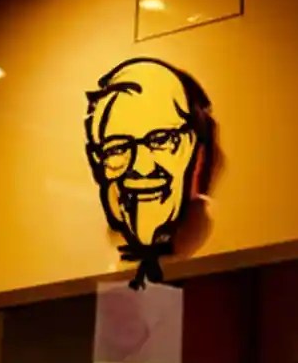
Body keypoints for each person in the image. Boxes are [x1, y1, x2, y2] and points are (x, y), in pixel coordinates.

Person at [84, 58, 214, 288]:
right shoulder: (90, 270)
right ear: (97, 160)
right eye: (118, 148)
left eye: (161, 140)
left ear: (195, 148)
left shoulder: (223, 257)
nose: (142, 167)